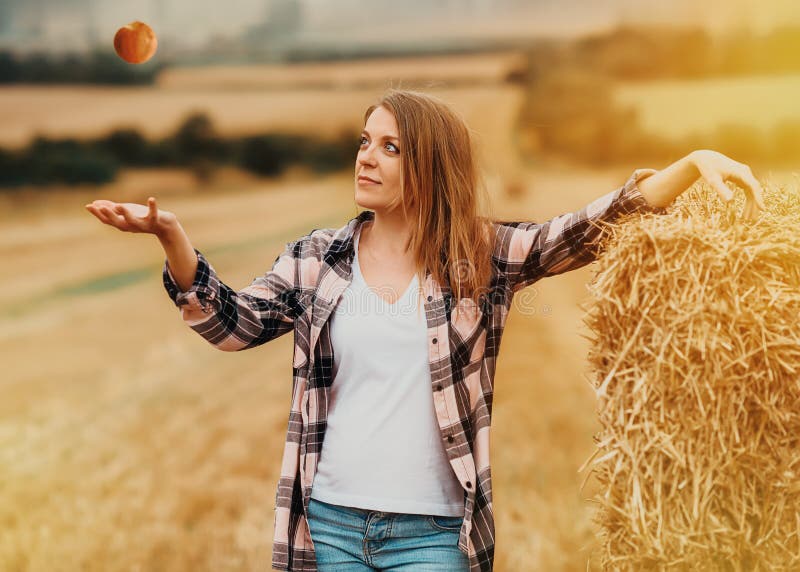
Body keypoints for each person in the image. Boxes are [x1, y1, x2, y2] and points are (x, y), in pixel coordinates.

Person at [85, 88, 765, 572]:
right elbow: (229, 325)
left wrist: (693, 163)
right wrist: (173, 237)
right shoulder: (315, 259)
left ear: (431, 166)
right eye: (364, 141)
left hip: (435, 535)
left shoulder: (479, 256)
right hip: (328, 527)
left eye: (390, 147)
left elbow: (581, 233)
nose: (367, 157)